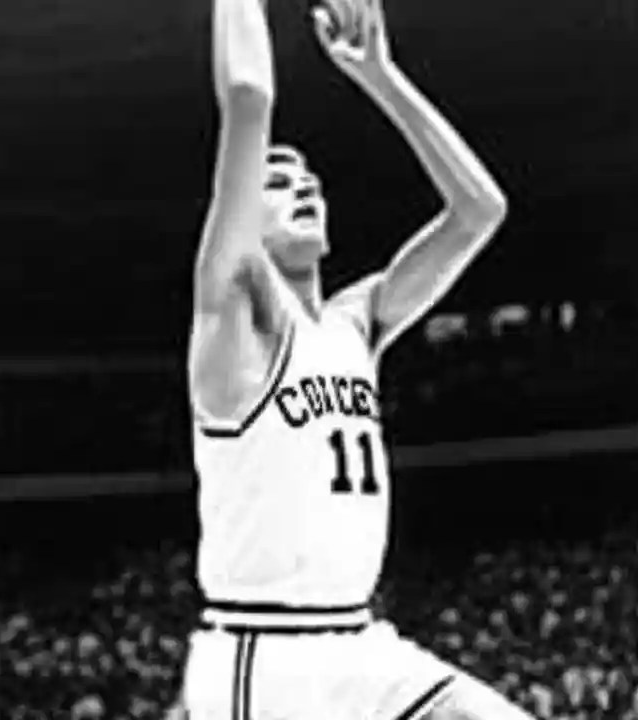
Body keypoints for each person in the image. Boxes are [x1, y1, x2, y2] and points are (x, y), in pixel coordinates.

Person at [180, 0, 529, 716]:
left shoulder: (356, 323)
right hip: (261, 656)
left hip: (360, 643)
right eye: (277, 182)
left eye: (310, 179)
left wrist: (380, 75)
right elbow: (247, 97)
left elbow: (479, 211)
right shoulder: (236, 313)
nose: (303, 184)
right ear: (243, 215)